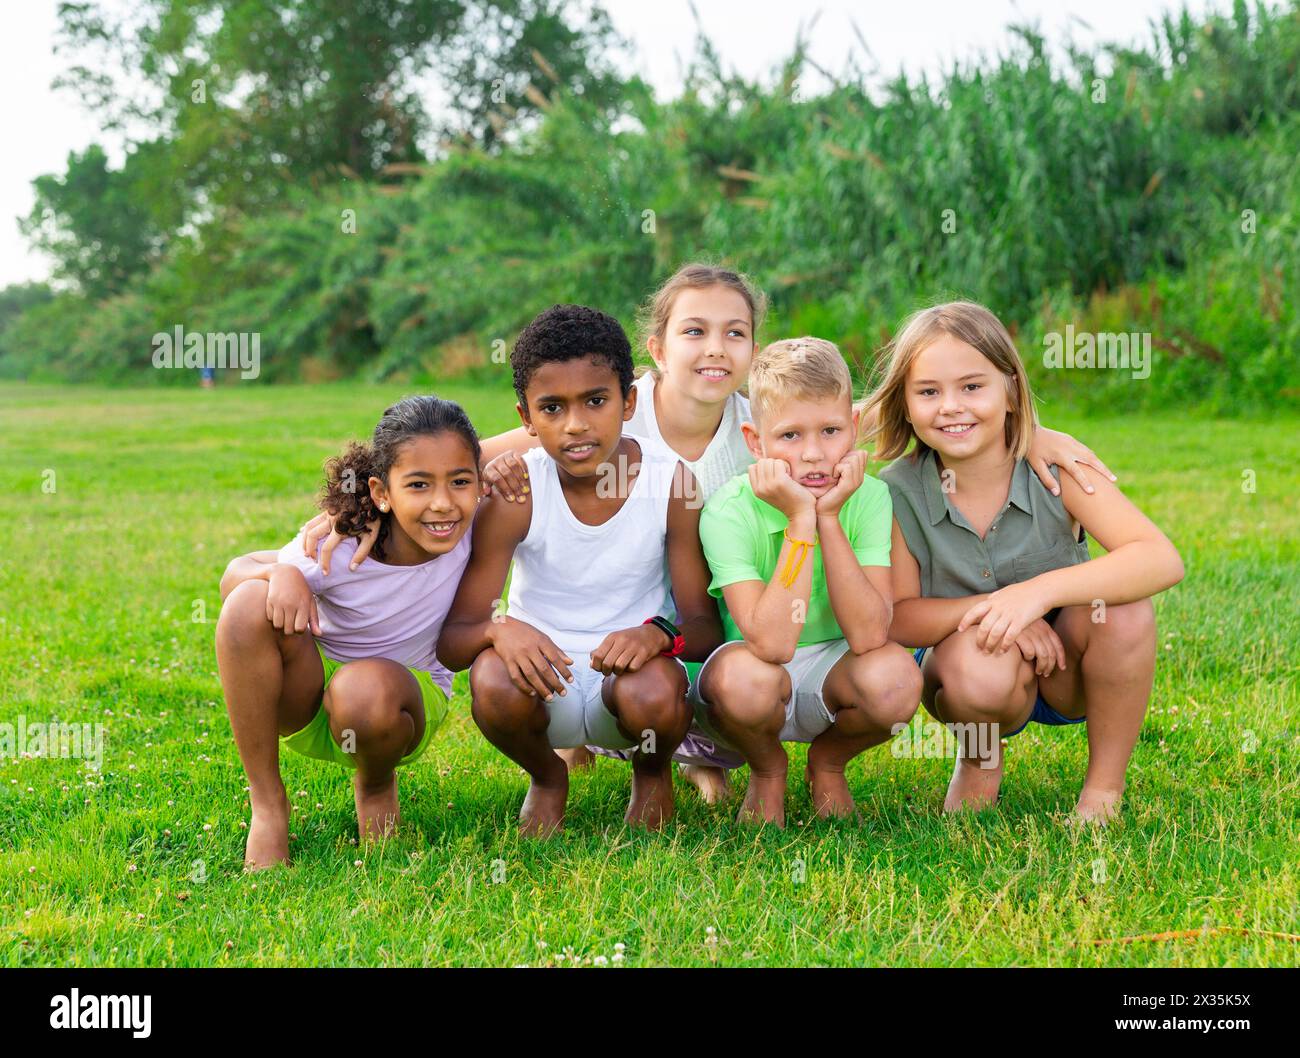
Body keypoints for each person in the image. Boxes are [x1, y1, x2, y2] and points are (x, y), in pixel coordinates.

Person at [869, 302, 1184, 822]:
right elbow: (899, 617)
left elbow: (1160, 559)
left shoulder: (1055, 465)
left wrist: (1038, 595)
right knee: (979, 668)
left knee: (1125, 610)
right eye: (928, 392)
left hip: (1067, 666)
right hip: (976, 669)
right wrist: (1002, 610)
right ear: (904, 403)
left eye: (973, 387)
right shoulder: (897, 492)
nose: (951, 406)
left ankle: (1103, 793)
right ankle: (979, 763)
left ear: (1011, 390)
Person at [436, 304, 724, 835]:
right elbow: (454, 642)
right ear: (525, 417)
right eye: (552, 408)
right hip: (545, 684)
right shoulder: (518, 492)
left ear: (628, 401)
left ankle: (652, 772)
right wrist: (503, 631)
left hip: (634, 686)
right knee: (491, 679)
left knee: (657, 688)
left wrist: (658, 636)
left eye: (596, 401)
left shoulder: (671, 484)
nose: (576, 425)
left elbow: (704, 629)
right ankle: (548, 777)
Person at [215, 396, 481, 868]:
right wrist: (283, 575)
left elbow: (542, 436)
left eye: (460, 481)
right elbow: (234, 574)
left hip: (399, 707)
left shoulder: (471, 522)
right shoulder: (343, 545)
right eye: (418, 485)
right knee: (247, 605)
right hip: (313, 700)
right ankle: (268, 803)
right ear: (381, 493)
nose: (442, 503)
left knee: (365, 688)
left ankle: (376, 785)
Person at [687, 337, 923, 826]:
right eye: (790, 436)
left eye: (831, 430)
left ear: (854, 429)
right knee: (745, 681)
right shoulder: (728, 510)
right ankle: (767, 767)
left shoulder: (871, 498)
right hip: (752, 674)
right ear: (756, 443)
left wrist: (829, 519)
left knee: (897, 680)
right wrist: (800, 521)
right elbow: (771, 643)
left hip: (832, 668)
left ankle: (828, 762)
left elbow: (869, 635)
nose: (814, 454)